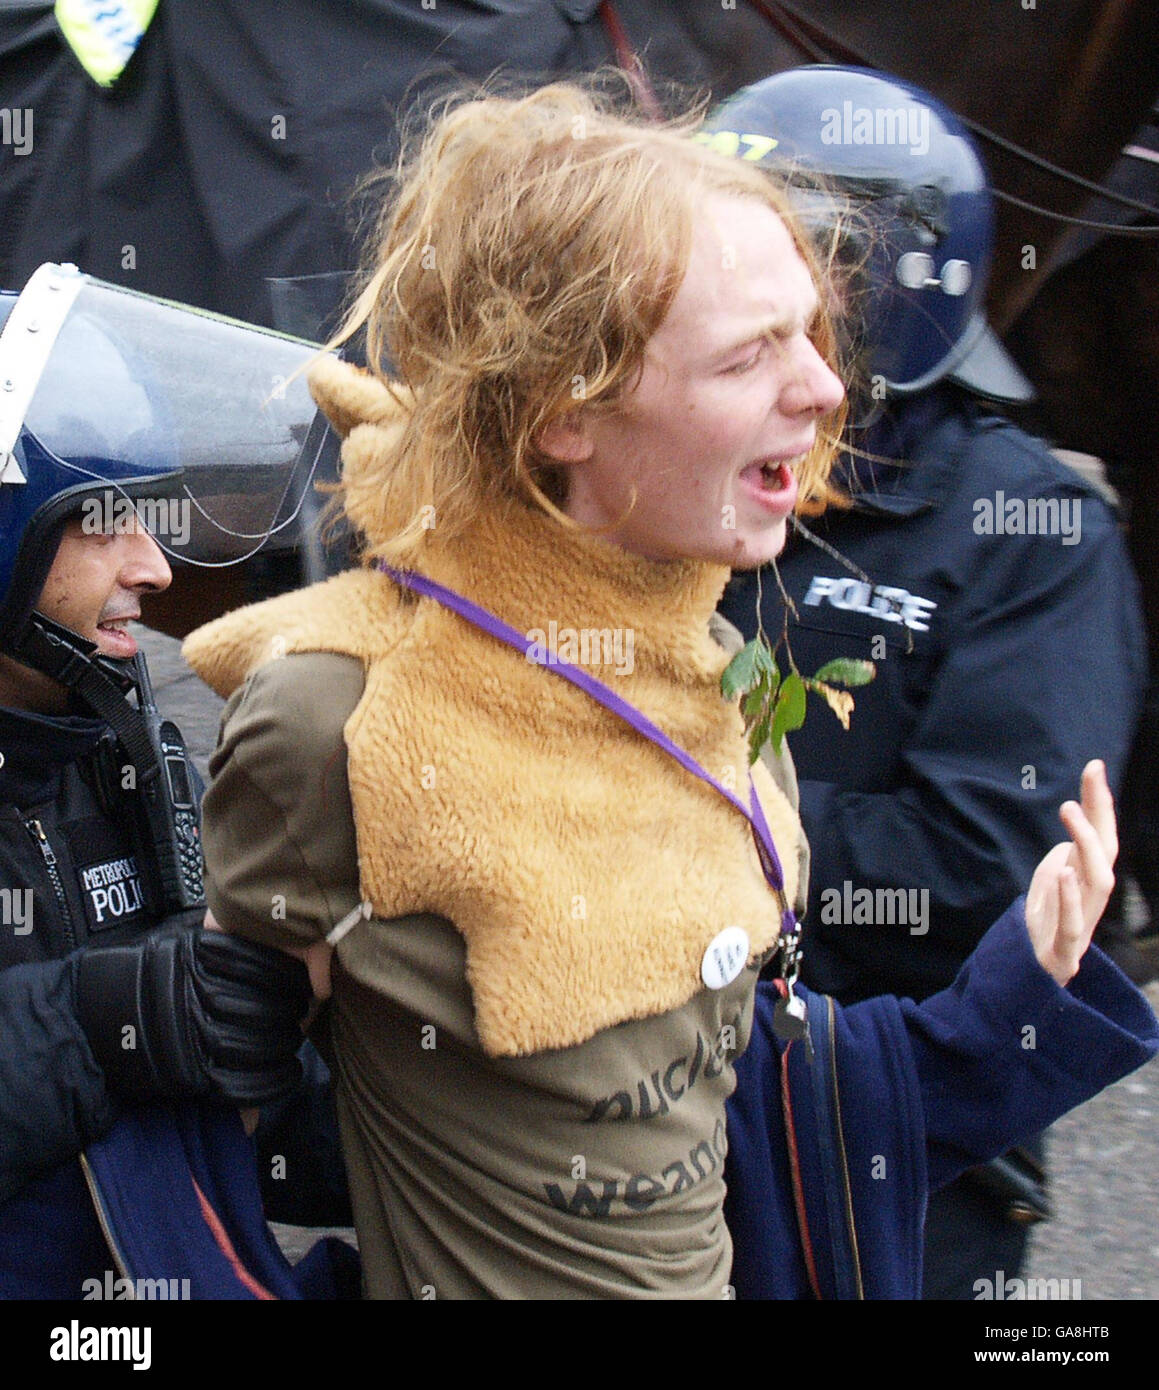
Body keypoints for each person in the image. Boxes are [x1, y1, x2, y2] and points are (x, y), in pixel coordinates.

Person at [182, 83, 1157, 1300]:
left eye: (814, 331)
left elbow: (730, 1106)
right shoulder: (339, 717)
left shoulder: (718, 688)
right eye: (752, 351)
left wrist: (1008, 997)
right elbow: (213, 1138)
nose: (827, 389)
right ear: (564, 412)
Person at [705, 65, 1150, 1298]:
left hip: (894, 1126)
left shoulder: (1028, 532)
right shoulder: (676, 473)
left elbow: (991, 863)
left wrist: (675, 809)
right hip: (650, 1097)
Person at [0, 264, 351, 1299]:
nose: (153, 569)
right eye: (105, 519)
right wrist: (105, 1022)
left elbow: (274, 1116)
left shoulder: (143, 731)